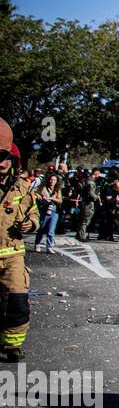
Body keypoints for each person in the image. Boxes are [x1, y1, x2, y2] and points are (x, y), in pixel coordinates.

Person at [0, 121, 38, 362]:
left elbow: (34, 214)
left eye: (5, 158)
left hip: (12, 255)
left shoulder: (22, 189)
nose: (1, 164)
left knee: (17, 302)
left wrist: (30, 224)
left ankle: (12, 346)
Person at [34, 170, 62, 252]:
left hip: (54, 211)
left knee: (51, 230)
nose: (52, 181)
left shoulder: (57, 190)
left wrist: (52, 198)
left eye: (54, 180)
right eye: (51, 179)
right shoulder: (43, 188)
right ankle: (37, 244)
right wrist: (39, 196)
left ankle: (49, 246)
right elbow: (35, 193)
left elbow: (60, 200)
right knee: (41, 228)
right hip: (44, 210)